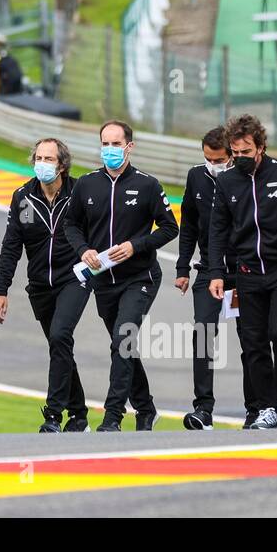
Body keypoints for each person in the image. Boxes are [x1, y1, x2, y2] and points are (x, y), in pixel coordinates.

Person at [207, 114, 277, 430]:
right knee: (253, 341)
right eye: (235, 153)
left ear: (261, 147)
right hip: (247, 272)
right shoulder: (227, 181)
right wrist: (216, 272)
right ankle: (266, 407)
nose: (240, 158)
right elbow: (217, 230)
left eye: (246, 152)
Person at [63, 120, 178, 431]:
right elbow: (70, 225)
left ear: (130, 146)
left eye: (116, 144)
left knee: (121, 340)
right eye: (105, 143)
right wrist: (83, 249)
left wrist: (135, 246)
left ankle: (113, 417)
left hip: (139, 278)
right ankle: (146, 408)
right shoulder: (86, 184)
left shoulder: (147, 185)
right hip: (103, 281)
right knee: (122, 346)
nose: (109, 150)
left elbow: (170, 227)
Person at [0, 138, 90, 433]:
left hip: (75, 277)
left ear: (62, 165)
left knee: (61, 336)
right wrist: (0, 289)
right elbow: (11, 246)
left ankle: (53, 415)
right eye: (39, 158)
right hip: (39, 285)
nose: (42, 164)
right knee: (59, 345)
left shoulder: (80, 193)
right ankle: (79, 414)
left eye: (49, 159)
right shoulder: (22, 197)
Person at [174, 127, 255, 429]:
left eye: (219, 159)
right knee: (203, 334)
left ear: (231, 156)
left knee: (251, 337)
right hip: (209, 269)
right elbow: (189, 225)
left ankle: (256, 408)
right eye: (208, 159)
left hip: (243, 270)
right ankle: (203, 409)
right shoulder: (197, 177)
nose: (213, 165)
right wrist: (183, 268)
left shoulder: (246, 178)